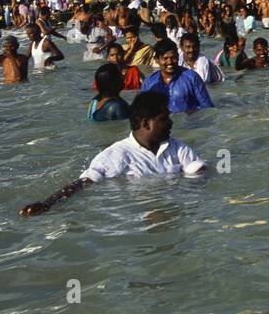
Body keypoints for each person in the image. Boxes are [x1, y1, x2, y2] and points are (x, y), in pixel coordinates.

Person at [20, 90, 207, 215]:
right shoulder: (115, 156)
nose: (171, 123)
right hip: (137, 211)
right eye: (164, 119)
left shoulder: (176, 147)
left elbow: (199, 174)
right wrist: (48, 204)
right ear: (146, 123)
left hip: (174, 210)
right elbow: (82, 184)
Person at [139, 39, 215, 112]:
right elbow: (143, 111)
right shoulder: (148, 83)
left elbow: (207, 108)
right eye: (165, 58)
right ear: (156, 60)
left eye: (173, 58)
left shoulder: (192, 78)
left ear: (178, 57)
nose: (170, 62)